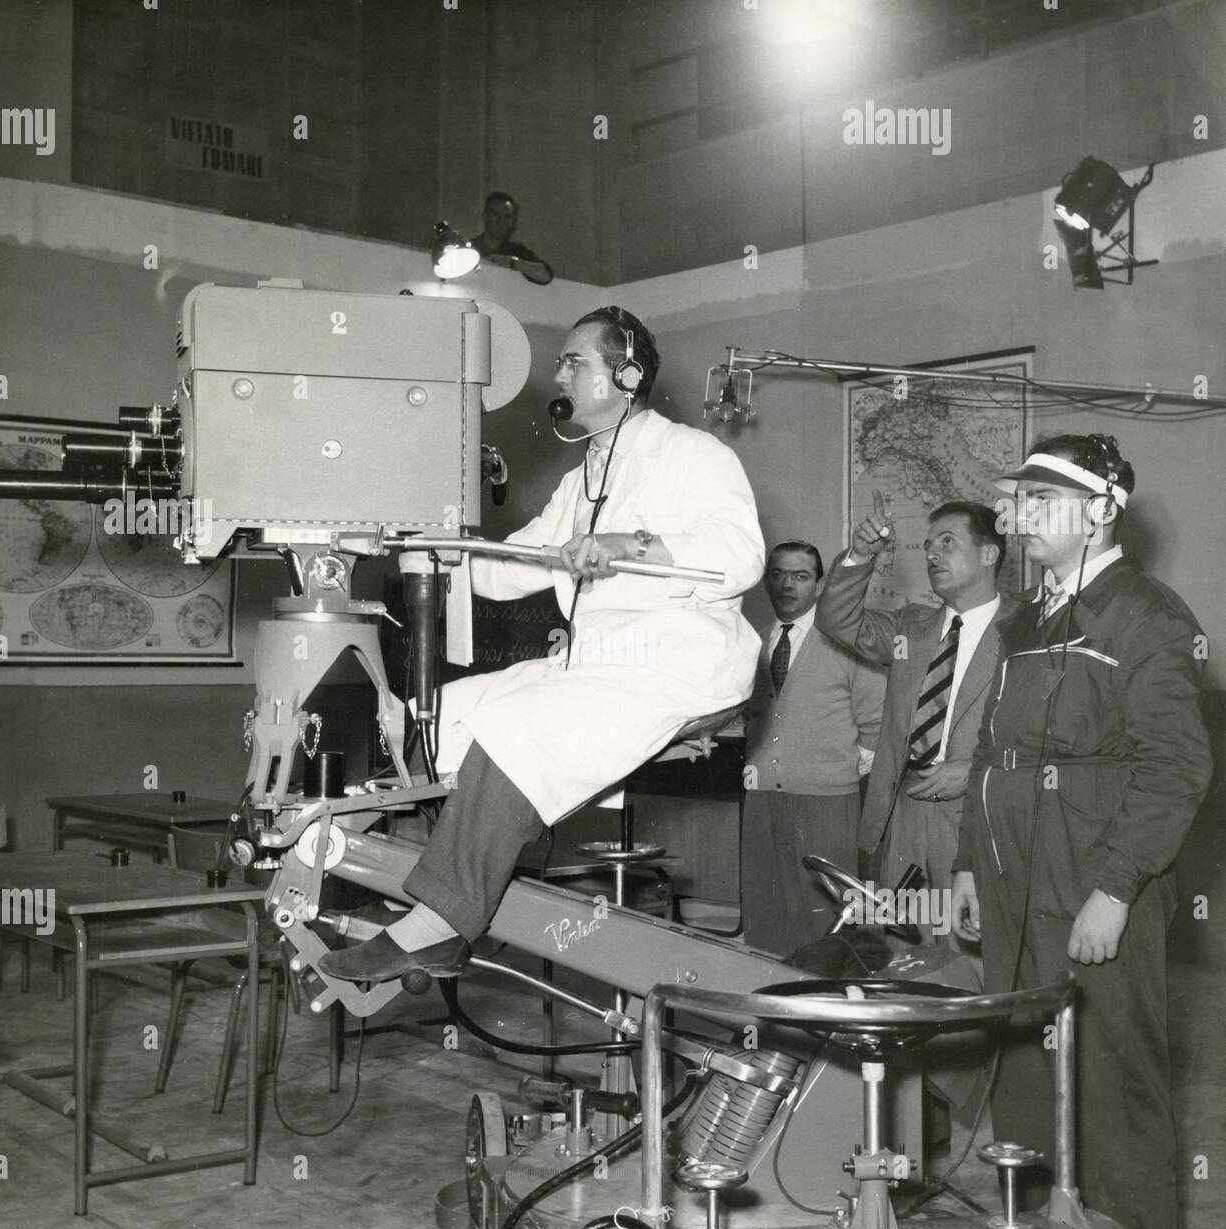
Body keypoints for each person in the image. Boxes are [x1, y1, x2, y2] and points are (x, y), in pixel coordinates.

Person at [319, 305, 764, 984]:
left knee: (516, 726)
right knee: (432, 718)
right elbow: (511, 569)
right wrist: (428, 549)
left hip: (678, 662)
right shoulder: (578, 480)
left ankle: (438, 926)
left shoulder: (694, 454)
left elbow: (741, 555)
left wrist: (632, 544)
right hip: (594, 664)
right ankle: (386, 885)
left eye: (573, 361)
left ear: (627, 374)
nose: (558, 372)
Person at [949, 435, 1211, 1229]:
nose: (1020, 514)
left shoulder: (1146, 614)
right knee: (1025, 1095)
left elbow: (1175, 768)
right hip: (1012, 886)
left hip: (1093, 886)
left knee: (1112, 1107)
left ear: (1102, 510)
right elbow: (989, 749)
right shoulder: (1025, 619)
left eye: (1042, 498)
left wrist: (1115, 888)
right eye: (1017, 498)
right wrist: (964, 865)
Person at [815, 499, 1013, 938]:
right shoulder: (911, 626)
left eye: (947, 542)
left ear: (989, 554)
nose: (932, 555)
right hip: (903, 815)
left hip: (977, 818)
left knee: (972, 958)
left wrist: (977, 768)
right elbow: (835, 620)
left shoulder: (1025, 631)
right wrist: (860, 555)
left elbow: (1045, 735)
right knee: (907, 954)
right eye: (927, 546)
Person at [742, 541, 885, 956]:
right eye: (778, 574)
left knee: (824, 925)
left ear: (821, 585)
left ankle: (825, 1014)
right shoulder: (753, 644)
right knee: (765, 919)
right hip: (762, 798)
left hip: (827, 804)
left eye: (801, 576)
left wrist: (831, 769)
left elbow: (875, 722)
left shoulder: (845, 642)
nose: (787, 584)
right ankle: (772, 1013)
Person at [470, 191, 553, 284]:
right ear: (485, 216)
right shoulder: (468, 248)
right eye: (495, 215)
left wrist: (511, 262)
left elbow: (546, 276)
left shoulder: (517, 251)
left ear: (512, 222)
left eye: (506, 217)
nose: (500, 221)